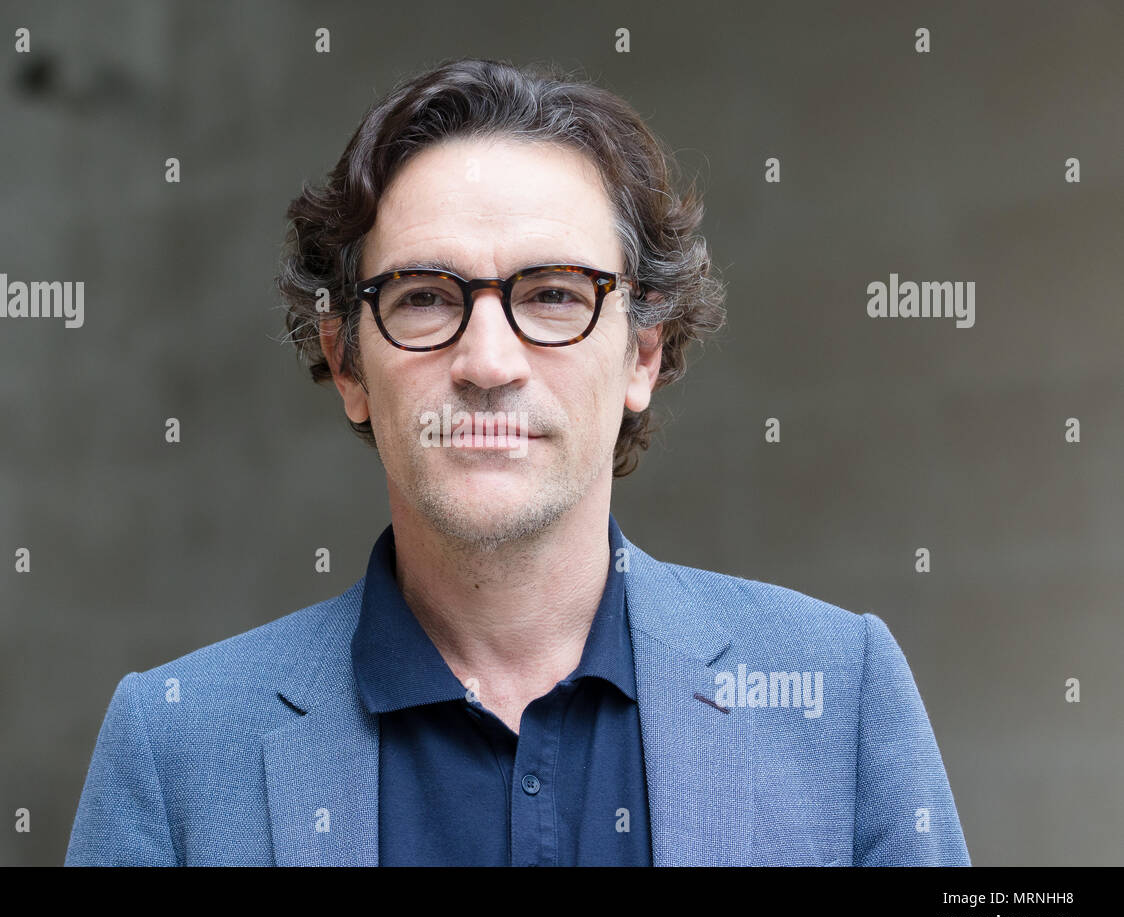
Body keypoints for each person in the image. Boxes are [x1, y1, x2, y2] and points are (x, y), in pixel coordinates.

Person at [64, 57, 969, 866]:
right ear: (347, 364)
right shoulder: (175, 742)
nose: (489, 363)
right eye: (423, 297)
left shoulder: (837, 691)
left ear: (642, 355)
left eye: (552, 294)